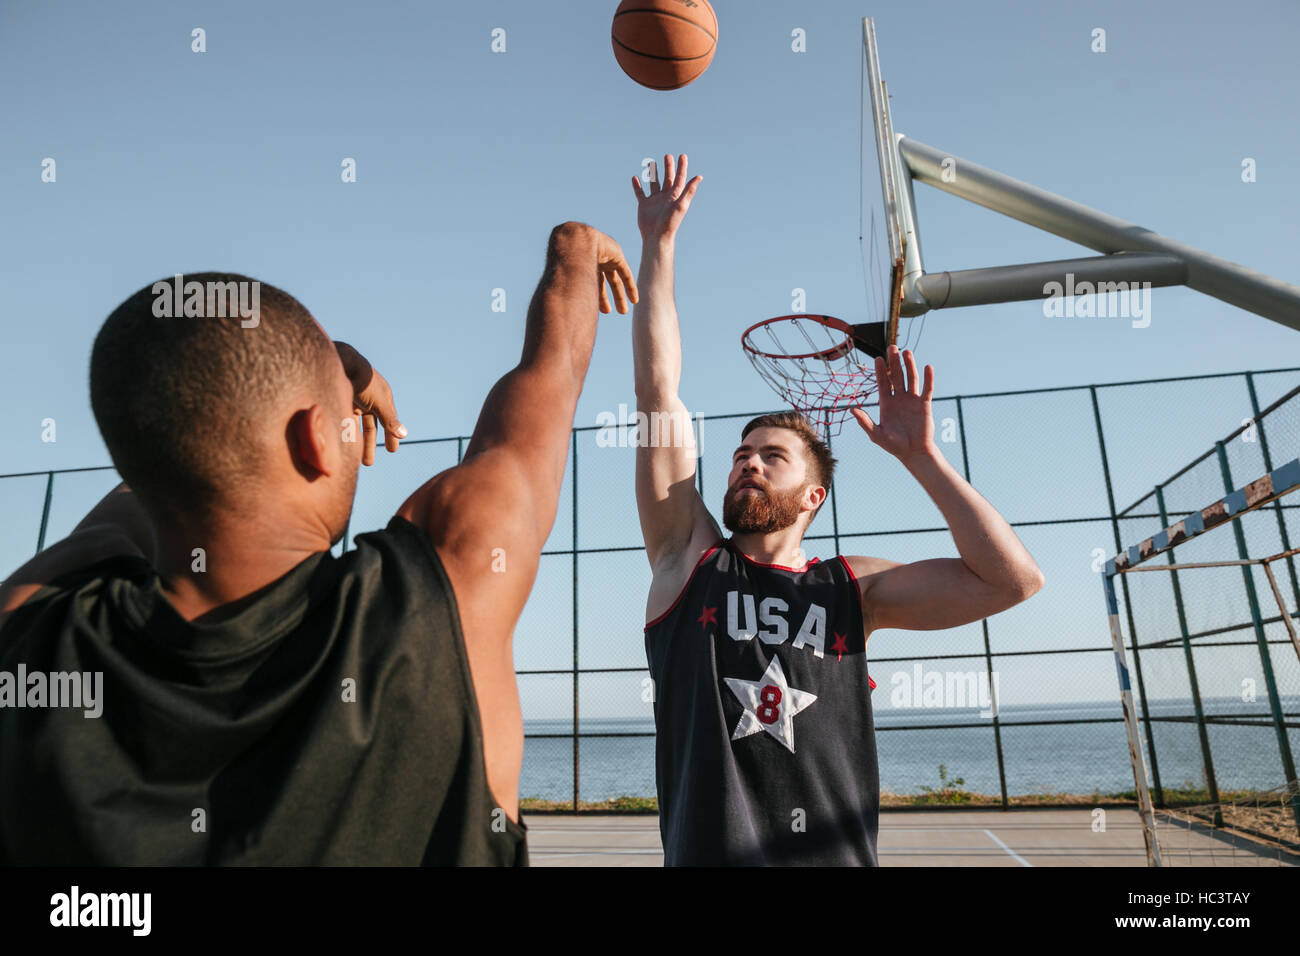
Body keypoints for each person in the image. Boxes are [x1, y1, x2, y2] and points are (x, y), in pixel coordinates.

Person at [0, 222, 637, 865]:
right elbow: (550, 374)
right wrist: (574, 249)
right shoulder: (449, 592)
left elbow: (153, 477)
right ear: (314, 439)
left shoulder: (28, 634)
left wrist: (294, 386)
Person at [630, 153, 1045, 865]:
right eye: (740, 453)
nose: (747, 462)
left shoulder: (851, 589)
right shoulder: (687, 557)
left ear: (814, 497)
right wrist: (658, 245)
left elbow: (1011, 581)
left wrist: (923, 458)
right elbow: (658, 390)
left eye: (771, 456)